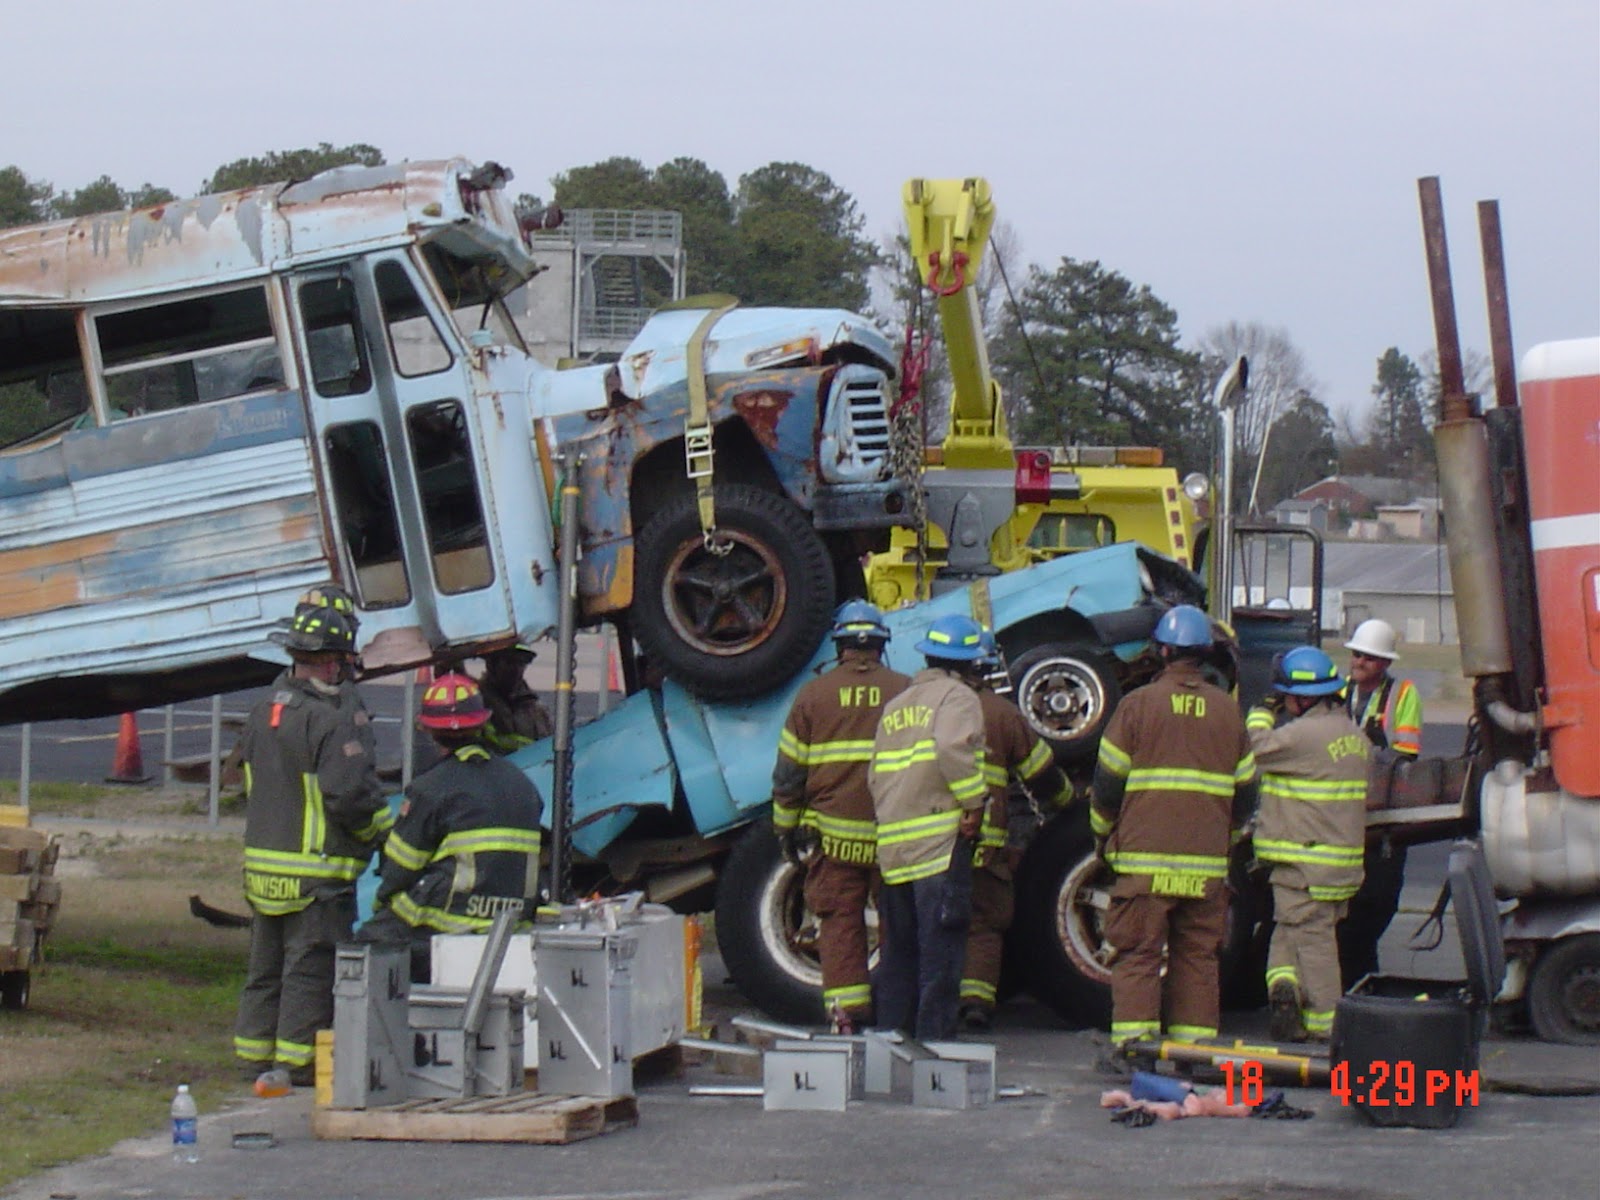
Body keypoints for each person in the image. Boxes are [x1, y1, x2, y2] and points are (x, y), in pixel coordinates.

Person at [233, 604, 391, 1085]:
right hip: (315, 876)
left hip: (263, 871)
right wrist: (382, 836)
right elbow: (349, 797)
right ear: (330, 662)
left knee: (264, 969)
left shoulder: (263, 712)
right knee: (308, 970)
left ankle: (253, 1057)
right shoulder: (330, 720)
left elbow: (246, 782)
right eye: (344, 661)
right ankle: (297, 1065)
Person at [1091, 605, 1258, 1051]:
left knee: (1139, 956)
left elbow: (1107, 785)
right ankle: (1195, 1052)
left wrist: (1101, 833)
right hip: (1205, 867)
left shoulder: (1137, 706)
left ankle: (1135, 1050)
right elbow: (1247, 795)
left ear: (1162, 651)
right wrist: (1226, 836)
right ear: (1204, 653)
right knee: (1198, 958)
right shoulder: (1228, 711)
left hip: (1146, 863)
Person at [771, 600, 910, 1032]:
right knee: (900, 925)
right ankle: (897, 1014)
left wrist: (785, 827)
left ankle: (848, 1014)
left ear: (840, 645)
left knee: (839, 922)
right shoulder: (905, 690)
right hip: (895, 836)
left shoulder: (814, 695)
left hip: (835, 840)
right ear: (881, 644)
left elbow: (789, 771)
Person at [355, 673, 544, 983]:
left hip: (447, 924)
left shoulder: (431, 789)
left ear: (428, 730)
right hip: (511, 924)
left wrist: (381, 909)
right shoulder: (523, 785)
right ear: (483, 723)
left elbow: (400, 869)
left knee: (364, 951)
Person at [869, 612, 990, 1040]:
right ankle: (936, 1053)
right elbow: (951, 748)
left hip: (894, 852)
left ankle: (890, 1045)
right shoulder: (956, 698)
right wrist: (974, 803)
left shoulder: (897, 705)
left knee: (898, 957)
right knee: (941, 956)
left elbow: (875, 776)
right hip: (938, 849)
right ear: (967, 664)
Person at [1247, 646, 1369, 1042]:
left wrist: (1260, 711)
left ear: (1303, 696)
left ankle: (1328, 1028)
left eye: (1286, 695)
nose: (1284, 702)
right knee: (1289, 929)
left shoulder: (1302, 735)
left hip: (1304, 864)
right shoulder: (1353, 735)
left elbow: (1254, 751)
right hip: (1337, 864)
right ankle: (1285, 993)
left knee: (1314, 943)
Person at [959, 630, 1069, 1031]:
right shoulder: (1002, 714)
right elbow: (1043, 777)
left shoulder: (921, 707)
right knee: (984, 921)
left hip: (924, 839)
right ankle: (975, 1001)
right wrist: (1068, 806)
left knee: (927, 918)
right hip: (984, 843)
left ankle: (927, 1004)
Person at [1338, 618, 1423, 988]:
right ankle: (1354, 979)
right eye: (1356, 654)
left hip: (1383, 813)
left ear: (1385, 663)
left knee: (1377, 901)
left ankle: (1361, 977)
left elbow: (1406, 755)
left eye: (1368, 658)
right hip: (1343, 813)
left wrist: (1369, 751)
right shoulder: (1339, 692)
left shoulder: (1403, 695)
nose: (1359, 662)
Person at [476, 643, 555, 754]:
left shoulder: (536, 708)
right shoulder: (476, 703)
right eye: (509, 662)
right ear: (491, 665)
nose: (516, 669)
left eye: (521, 663)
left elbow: (548, 745)